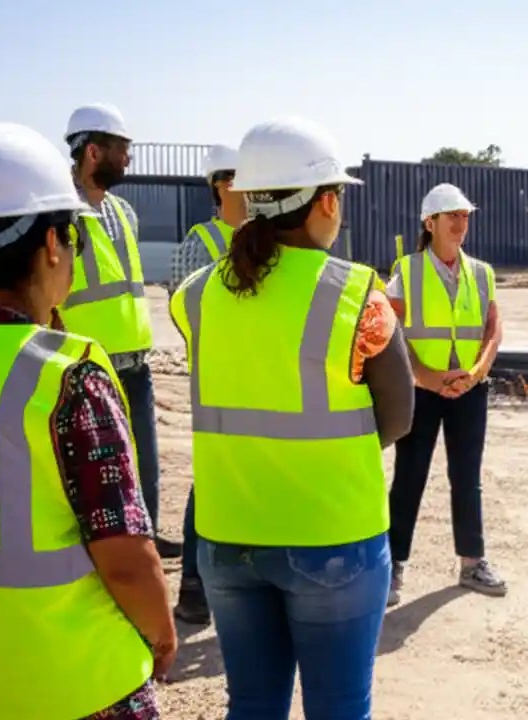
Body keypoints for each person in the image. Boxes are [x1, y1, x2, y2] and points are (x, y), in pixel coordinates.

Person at [0, 121, 175, 720]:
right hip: (72, 685)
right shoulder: (70, 378)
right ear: (52, 244)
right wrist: (161, 635)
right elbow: (128, 557)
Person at [170, 116, 413, 719]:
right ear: (326, 202)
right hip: (332, 533)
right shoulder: (358, 295)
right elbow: (400, 415)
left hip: (227, 537)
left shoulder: (195, 295)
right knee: (337, 707)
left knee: (252, 703)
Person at [62, 103, 181, 558]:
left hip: (136, 362)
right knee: (93, 467)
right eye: (122, 150)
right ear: (93, 151)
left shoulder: (124, 213)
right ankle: (100, 552)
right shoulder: (62, 212)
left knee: (144, 463)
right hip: (88, 365)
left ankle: (145, 542)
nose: (129, 159)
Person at [384, 182, 507, 605]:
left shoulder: (481, 272)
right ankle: (392, 566)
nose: (461, 223)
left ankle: (472, 563)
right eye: (452, 215)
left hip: (468, 390)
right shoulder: (407, 271)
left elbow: (493, 327)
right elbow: (391, 332)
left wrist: (475, 372)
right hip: (421, 389)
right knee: (409, 477)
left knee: (466, 478)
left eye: (465, 215)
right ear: (430, 222)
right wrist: (426, 376)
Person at [171, 143, 246, 626]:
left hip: (259, 379)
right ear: (220, 184)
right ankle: (193, 586)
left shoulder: (269, 238)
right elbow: (185, 313)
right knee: (213, 480)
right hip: (218, 379)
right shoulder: (201, 241)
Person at [169, 143, 244, 291]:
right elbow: (182, 302)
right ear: (218, 184)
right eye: (231, 178)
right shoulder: (201, 240)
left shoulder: (270, 234)